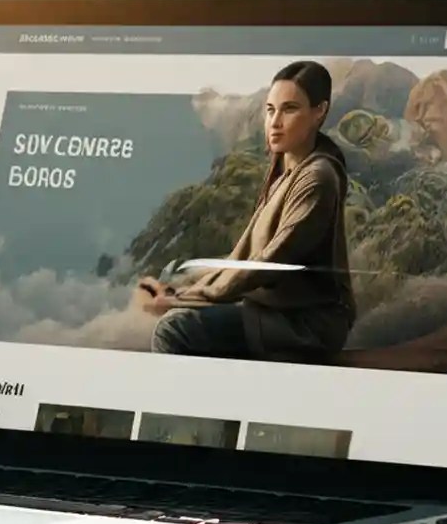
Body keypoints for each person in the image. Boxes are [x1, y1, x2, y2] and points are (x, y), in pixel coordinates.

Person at [142, 60, 356, 362]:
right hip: (272, 308)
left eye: (290, 109)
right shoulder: (286, 169)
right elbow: (242, 257)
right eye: (270, 110)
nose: (275, 122)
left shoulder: (318, 177)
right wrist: (184, 288)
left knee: (173, 330)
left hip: (303, 323)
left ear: (319, 111)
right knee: (175, 272)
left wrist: (193, 297)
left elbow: (270, 262)